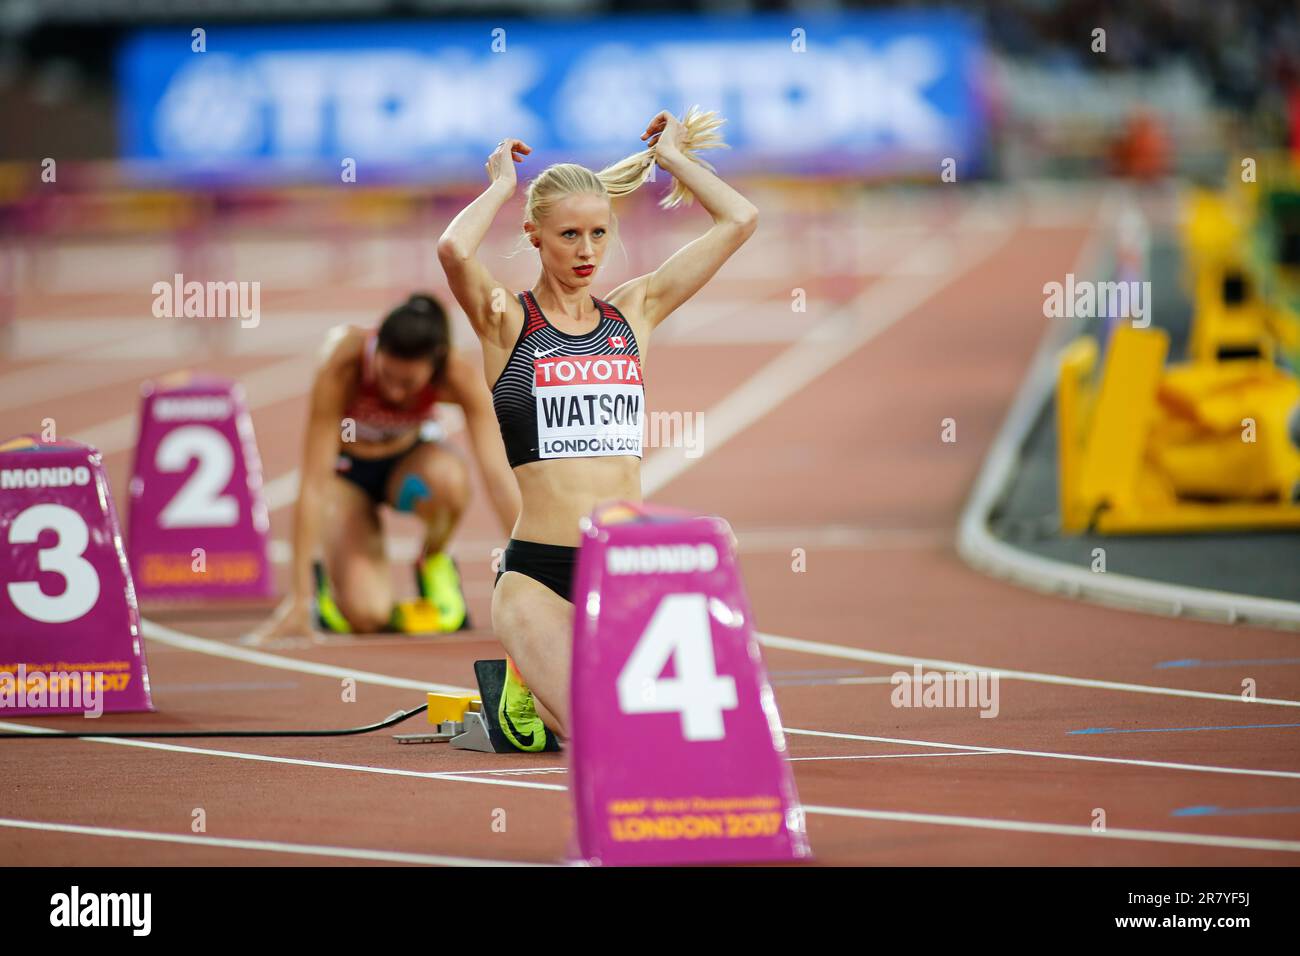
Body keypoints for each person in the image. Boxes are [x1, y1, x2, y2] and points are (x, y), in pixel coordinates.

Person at [437, 106, 756, 750]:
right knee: (607, 737)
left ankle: (532, 694)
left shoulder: (634, 312)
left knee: (677, 731)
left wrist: (674, 161)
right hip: (538, 578)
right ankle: (531, 689)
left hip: (627, 568)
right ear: (535, 236)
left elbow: (741, 219)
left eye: (599, 235)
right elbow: (451, 249)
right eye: (568, 237)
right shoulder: (507, 323)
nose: (586, 253)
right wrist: (500, 187)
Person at [251, 293, 520, 643]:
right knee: (368, 616)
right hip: (348, 478)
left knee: (450, 478)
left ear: (434, 365)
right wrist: (298, 596)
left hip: (407, 470)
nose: (393, 393)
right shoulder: (342, 364)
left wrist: (529, 571)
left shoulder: (457, 378)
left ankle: (433, 559)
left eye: (407, 384)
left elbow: (499, 476)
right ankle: (324, 591)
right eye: (386, 376)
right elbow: (314, 482)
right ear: (375, 349)